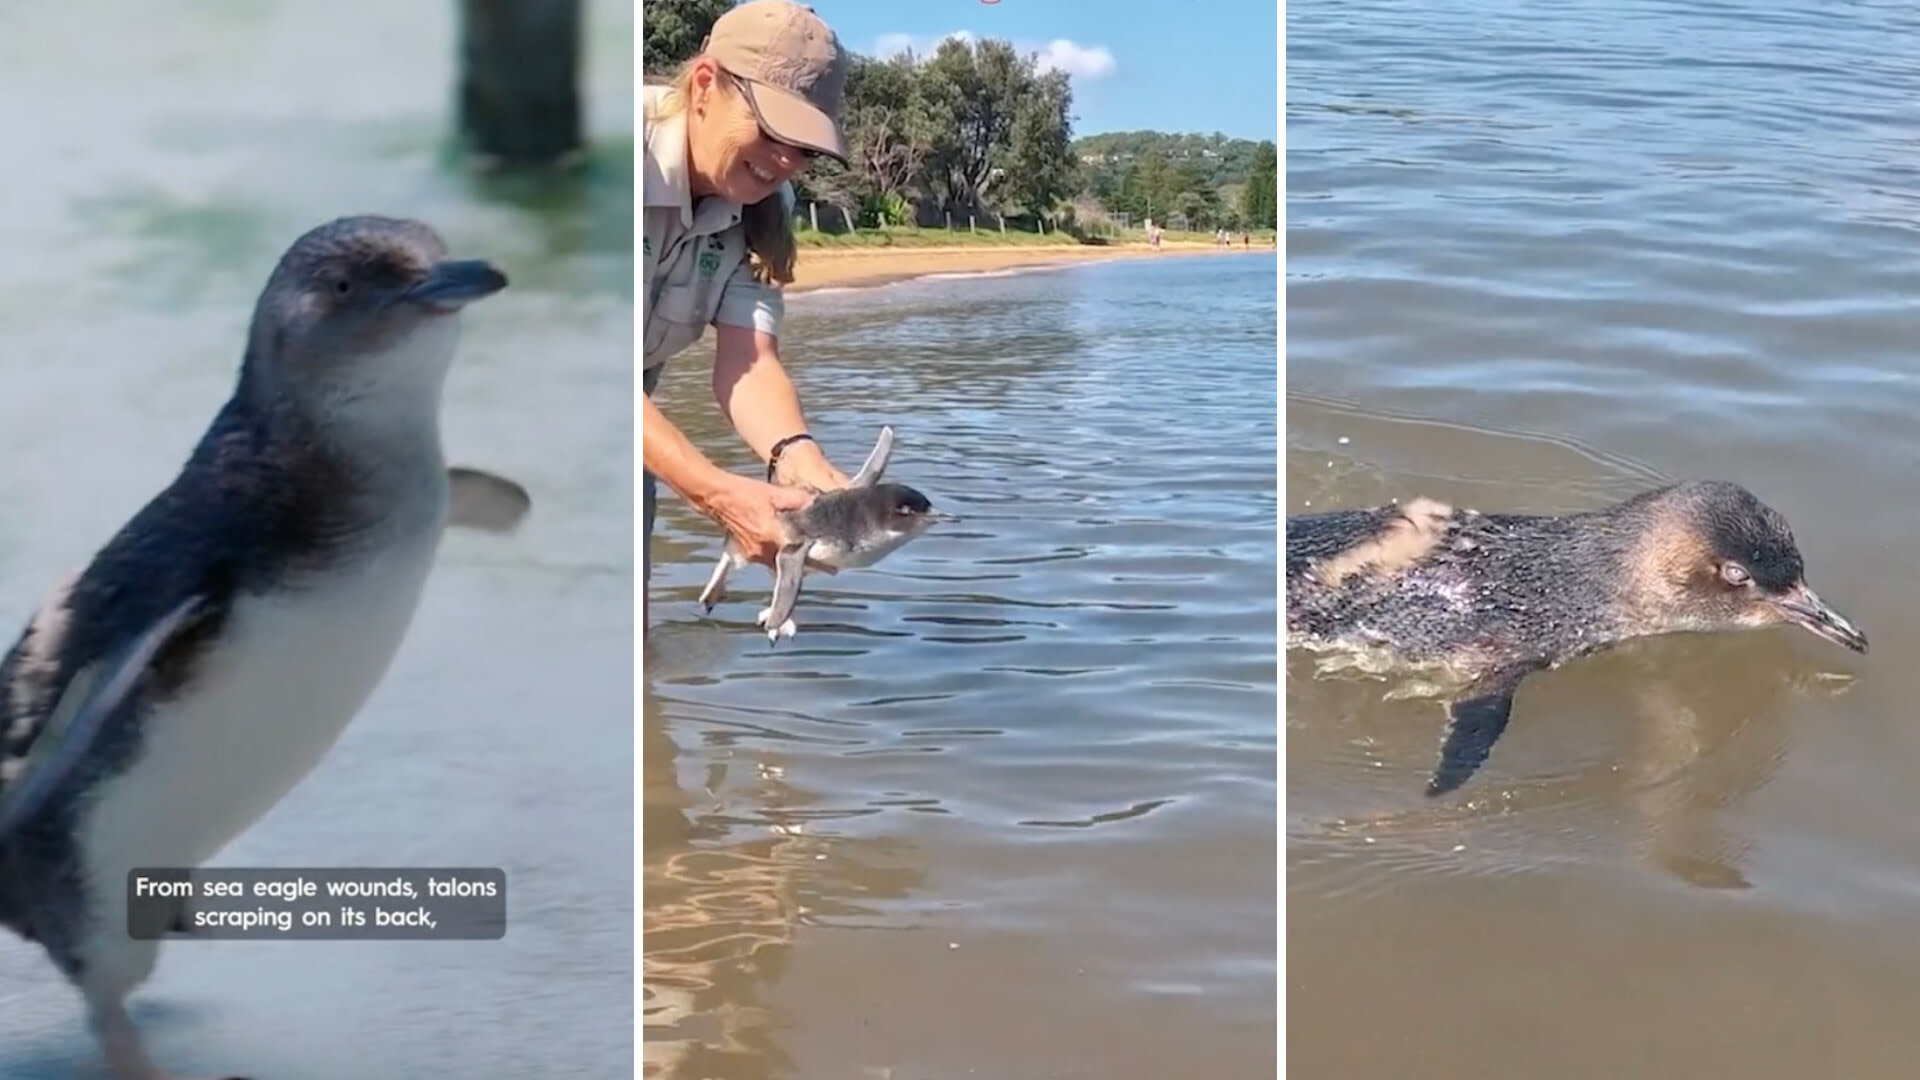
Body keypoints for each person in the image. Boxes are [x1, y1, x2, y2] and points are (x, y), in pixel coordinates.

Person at [641, 0, 855, 633]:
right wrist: (716, 493)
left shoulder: (764, 200)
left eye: (806, 149)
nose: (785, 162)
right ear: (705, 85)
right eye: (770, 131)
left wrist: (800, 461)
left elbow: (749, 361)